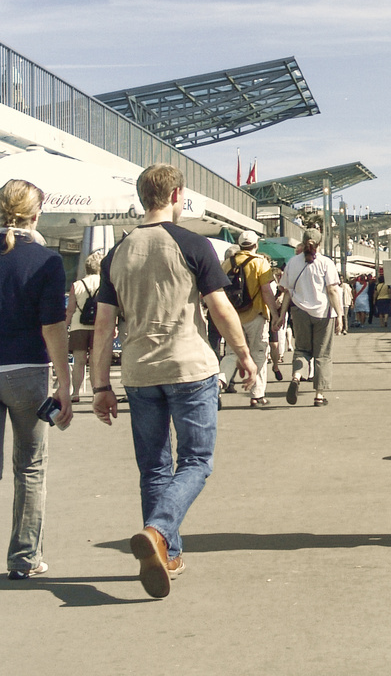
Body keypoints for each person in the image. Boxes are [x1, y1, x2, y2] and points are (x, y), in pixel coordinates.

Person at [91, 164, 257, 599]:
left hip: (140, 373)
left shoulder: (117, 253)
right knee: (197, 462)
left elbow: (104, 325)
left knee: (154, 467)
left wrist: (100, 386)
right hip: (188, 368)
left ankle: (168, 554)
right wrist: (244, 356)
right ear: (176, 195)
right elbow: (219, 307)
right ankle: (160, 532)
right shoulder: (192, 244)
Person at [0, 179, 72, 580]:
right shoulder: (46, 261)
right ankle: (24, 558)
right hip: (27, 370)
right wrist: (64, 383)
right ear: (36, 213)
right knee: (28, 468)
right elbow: (52, 327)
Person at [279, 229, 344, 407]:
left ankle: (296, 376)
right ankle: (319, 396)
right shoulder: (326, 263)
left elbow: (286, 292)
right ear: (320, 243)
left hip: (299, 312)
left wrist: (281, 315)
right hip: (323, 314)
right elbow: (332, 290)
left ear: (303, 241)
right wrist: (340, 316)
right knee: (322, 354)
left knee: (301, 349)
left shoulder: (292, 263)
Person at [221, 231, 279, 406]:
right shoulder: (260, 263)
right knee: (258, 353)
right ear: (256, 244)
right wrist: (275, 314)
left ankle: (218, 384)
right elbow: (266, 291)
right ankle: (257, 395)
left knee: (231, 354)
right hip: (256, 314)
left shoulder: (226, 264)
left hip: (233, 316)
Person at [65, 250, 105, 401]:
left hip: (78, 326)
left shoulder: (77, 285)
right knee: (95, 362)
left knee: (78, 362)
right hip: (99, 326)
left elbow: (70, 310)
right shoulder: (104, 284)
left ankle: (75, 392)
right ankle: (96, 392)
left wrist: (65, 326)